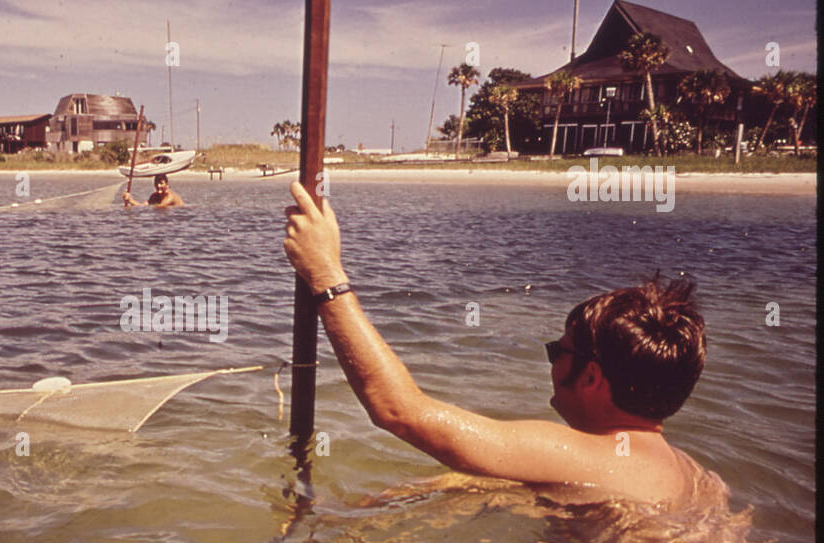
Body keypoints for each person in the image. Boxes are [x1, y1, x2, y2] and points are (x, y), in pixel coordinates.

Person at [282, 181, 709, 505]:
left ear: (592, 376)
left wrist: (326, 275)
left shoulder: (583, 455)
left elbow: (399, 412)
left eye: (557, 351)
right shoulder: (697, 479)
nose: (552, 364)